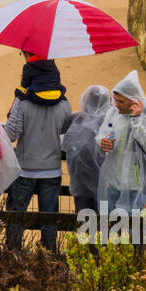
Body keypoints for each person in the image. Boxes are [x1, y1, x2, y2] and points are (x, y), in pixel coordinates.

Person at [2, 69, 72, 250]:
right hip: (52, 170)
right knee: (49, 218)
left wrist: (14, 109)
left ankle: (12, 256)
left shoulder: (22, 101)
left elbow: (10, 134)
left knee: (16, 216)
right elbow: (64, 128)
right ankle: (48, 259)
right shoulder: (64, 103)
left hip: (25, 169)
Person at [97, 70, 146, 216]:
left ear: (134, 101)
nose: (116, 105)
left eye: (120, 101)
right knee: (112, 231)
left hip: (137, 188)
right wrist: (101, 142)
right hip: (113, 184)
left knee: (136, 232)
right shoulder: (114, 113)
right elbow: (103, 133)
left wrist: (136, 120)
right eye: (115, 100)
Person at [61, 84, 110, 217]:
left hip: (80, 181)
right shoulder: (110, 121)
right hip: (103, 183)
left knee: (83, 222)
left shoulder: (77, 119)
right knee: (102, 222)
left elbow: (64, 143)